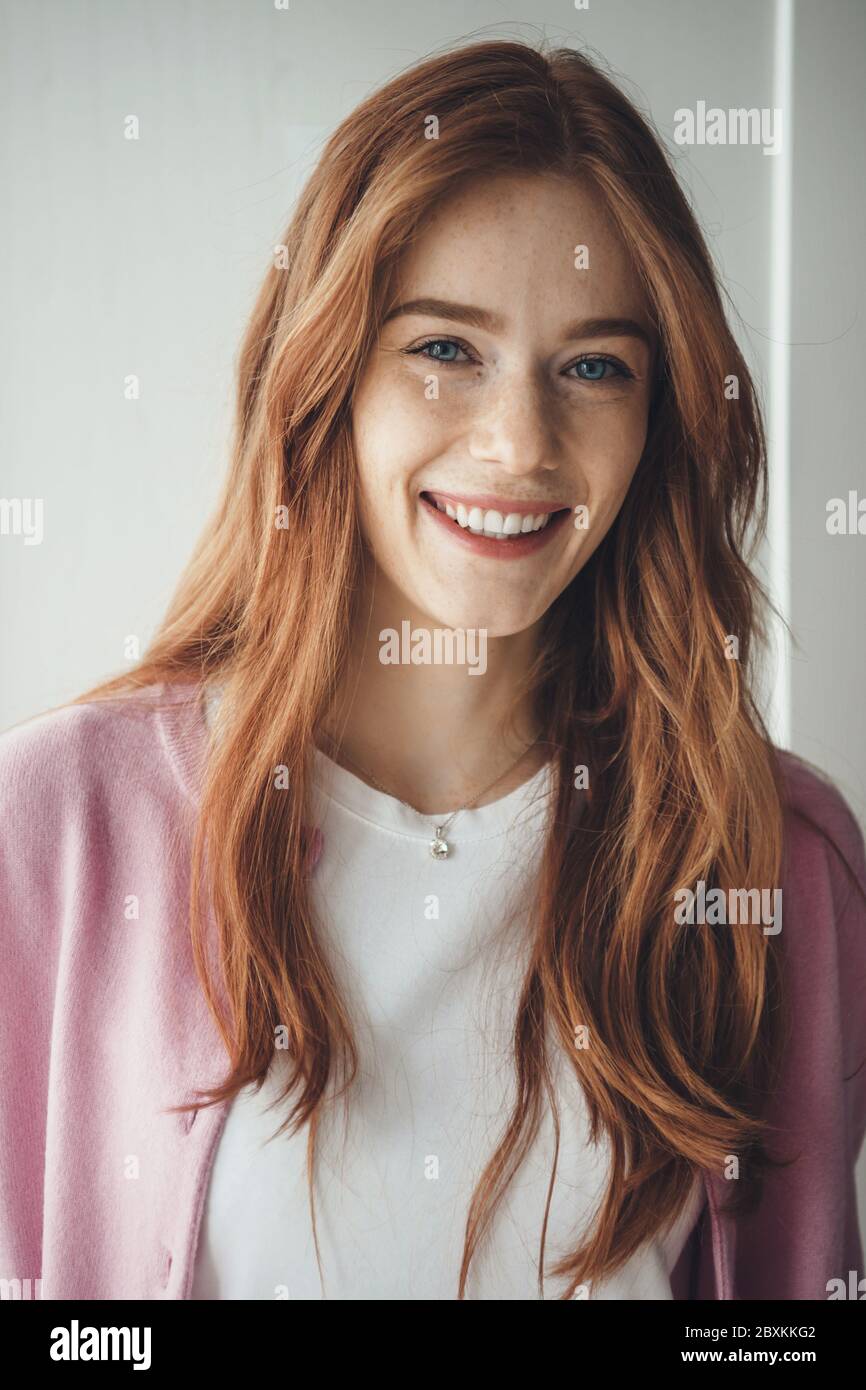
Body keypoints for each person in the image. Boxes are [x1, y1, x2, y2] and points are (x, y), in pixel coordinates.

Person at [1, 38, 864, 1302]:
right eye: (444, 349)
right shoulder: (62, 828)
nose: (519, 442)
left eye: (592, 367)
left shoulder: (775, 861)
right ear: (325, 376)